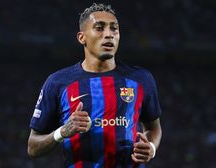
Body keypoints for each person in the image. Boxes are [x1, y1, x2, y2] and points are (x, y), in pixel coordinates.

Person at [28, 3, 162, 168]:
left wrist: (151, 148)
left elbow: (154, 128)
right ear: (81, 37)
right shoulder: (58, 82)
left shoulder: (141, 79)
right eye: (99, 28)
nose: (109, 34)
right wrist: (61, 132)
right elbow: (33, 147)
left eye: (114, 29)